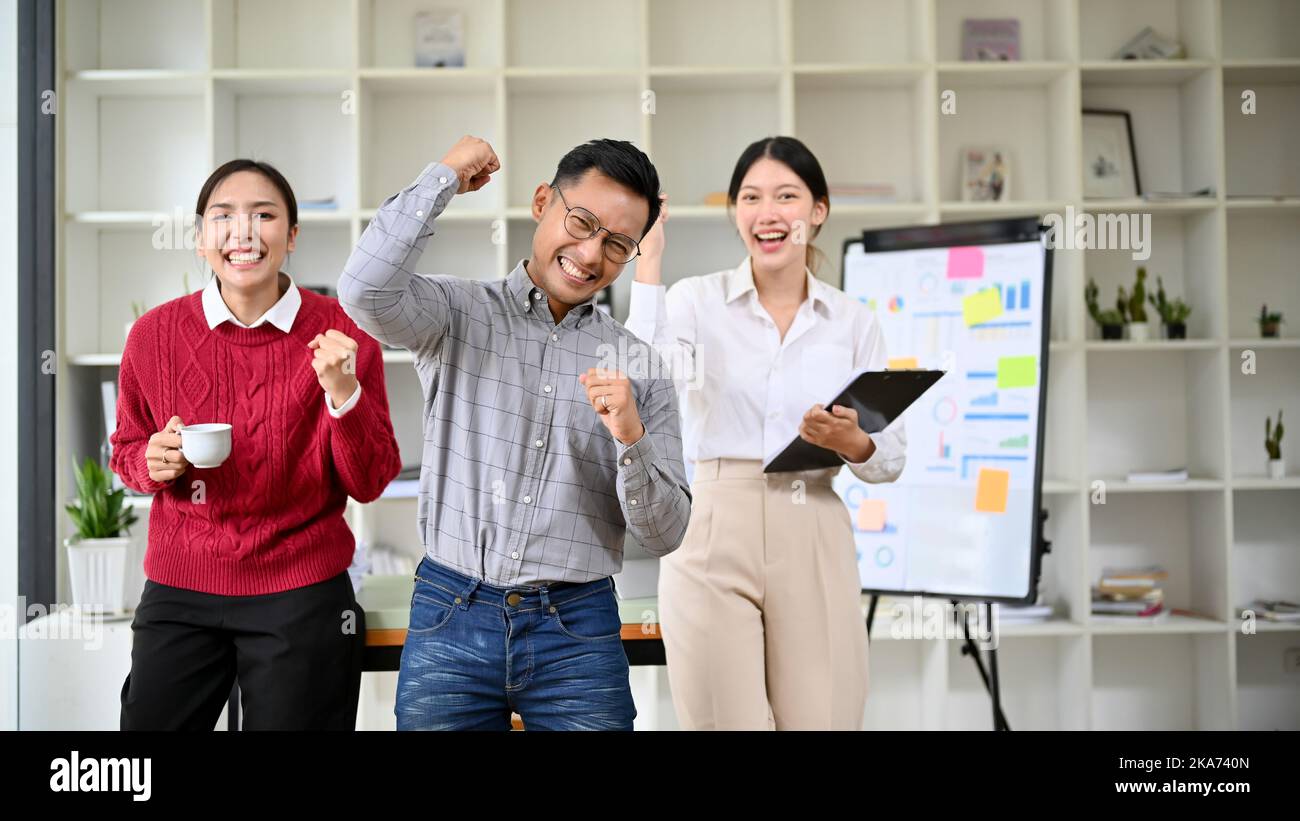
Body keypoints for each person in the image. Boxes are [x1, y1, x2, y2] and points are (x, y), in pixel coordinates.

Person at [338, 136, 691, 731]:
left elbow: (667, 533)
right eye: (580, 222)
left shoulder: (640, 366)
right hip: (451, 612)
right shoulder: (455, 313)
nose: (589, 252)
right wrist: (444, 177)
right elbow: (364, 291)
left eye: (617, 243)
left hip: (578, 629)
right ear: (541, 203)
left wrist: (631, 438)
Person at [625, 136, 907, 730]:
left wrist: (848, 441)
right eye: (750, 197)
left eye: (786, 196)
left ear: (819, 211)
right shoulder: (696, 301)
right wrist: (647, 261)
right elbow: (644, 377)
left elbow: (889, 458)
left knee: (823, 718)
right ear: (735, 212)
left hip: (814, 523)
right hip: (709, 522)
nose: (767, 212)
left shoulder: (853, 322)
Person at [112, 159, 403, 730]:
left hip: (302, 589)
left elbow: (370, 481)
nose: (243, 232)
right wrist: (151, 461)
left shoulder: (344, 336)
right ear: (200, 239)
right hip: (181, 584)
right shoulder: (153, 336)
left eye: (264, 215)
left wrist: (341, 389)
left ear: (291, 236)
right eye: (223, 217)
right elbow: (125, 449)